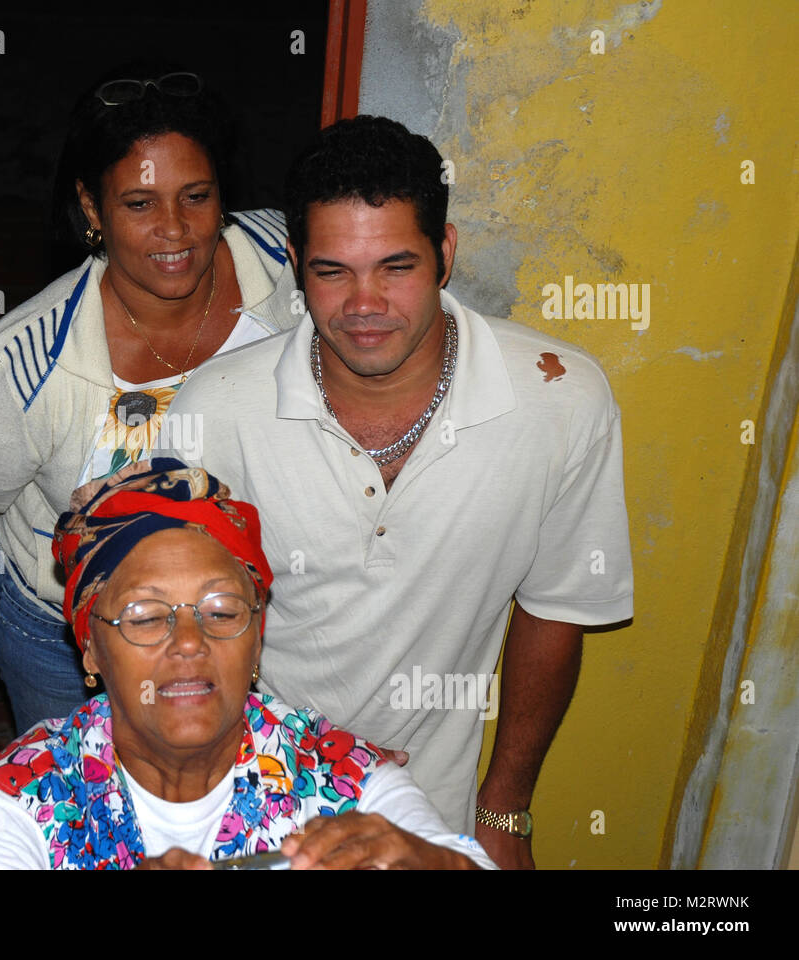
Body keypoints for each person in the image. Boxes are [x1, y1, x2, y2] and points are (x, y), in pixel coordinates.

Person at [160, 115, 635, 869]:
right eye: (332, 271)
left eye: (396, 266)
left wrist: (503, 812)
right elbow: (180, 626)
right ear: (294, 265)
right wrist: (306, 752)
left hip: (429, 815)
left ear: (444, 256)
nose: (365, 304)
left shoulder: (561, 401)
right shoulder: (212, 413)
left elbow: (558, 608)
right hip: (243, 794)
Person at [0, 460, 492, 869]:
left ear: (256, 639)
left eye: (222, 610)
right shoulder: (24, 798)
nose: (188, 641)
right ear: (90, 648)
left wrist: (441, 863)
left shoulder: (340, 778)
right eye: (144, 615)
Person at [0, 68, 298, 734]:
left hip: (238, 603)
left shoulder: (289, 261)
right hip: (63, 635)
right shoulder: (28, 360)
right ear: (92, 209)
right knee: (87, 805)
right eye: (139, 204)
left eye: (196, 197)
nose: (174, 230)